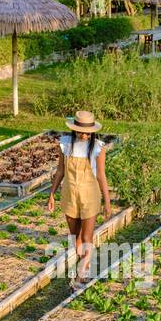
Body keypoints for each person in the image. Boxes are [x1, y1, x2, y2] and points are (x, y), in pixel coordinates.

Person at [47, 109, 112, 286]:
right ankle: (83, 265)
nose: (84, 136)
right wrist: (51, 194)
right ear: (74, 129)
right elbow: (60, 171)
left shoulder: (98, 147)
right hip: (70, 194)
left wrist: (107, 202)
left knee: (87, 238)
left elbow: (101, 176)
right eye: (81, 132)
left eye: (88, 133)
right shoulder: (66, 144)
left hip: (90, 195)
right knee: (75, 235)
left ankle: (82, 273)